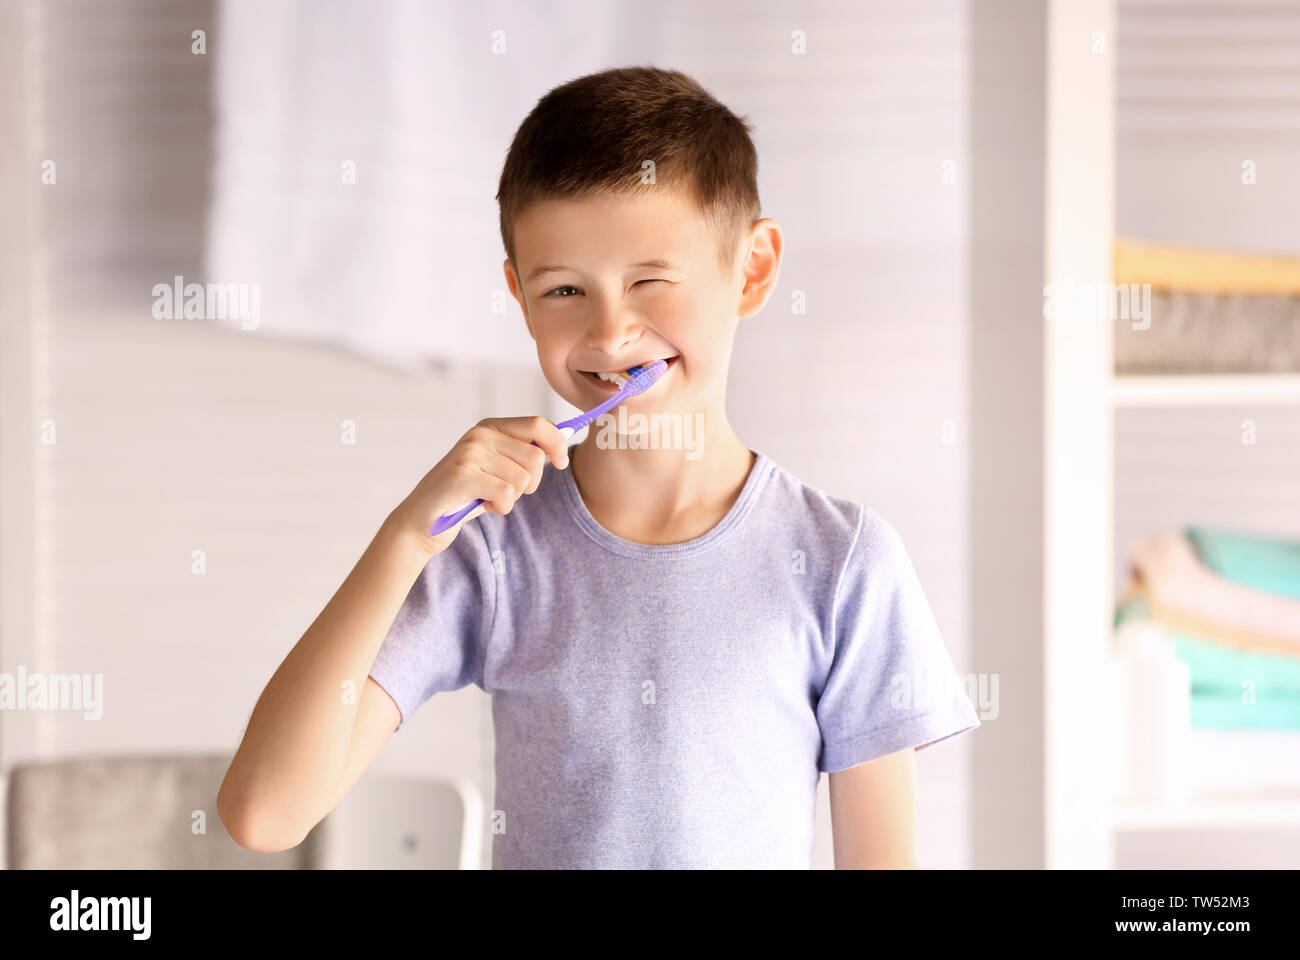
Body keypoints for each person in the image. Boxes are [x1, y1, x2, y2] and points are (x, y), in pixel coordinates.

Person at [218, 65, 979, 869]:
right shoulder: (494, 553)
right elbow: (265, 814)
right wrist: (407, 536)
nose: (611, 332)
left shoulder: (842, 564)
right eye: (565, 291)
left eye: (650, 280)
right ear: (517, 294)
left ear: (751, 270)